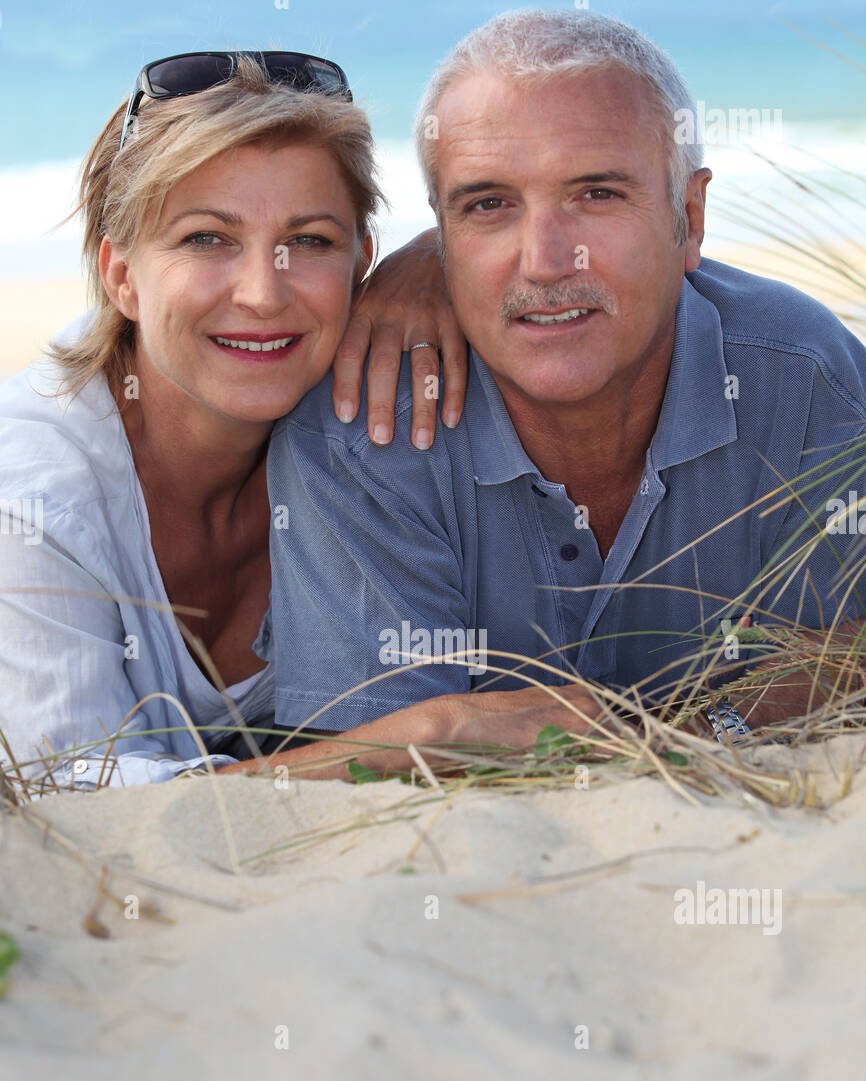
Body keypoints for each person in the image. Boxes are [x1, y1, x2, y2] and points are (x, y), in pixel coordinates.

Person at [256, 9, 866, 779]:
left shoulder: (803, 380)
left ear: (690, 218)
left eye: (597, 193)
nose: (545, 261)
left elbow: (850, 652)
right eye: (489, 205)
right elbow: (384, 779)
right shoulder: (358, 434)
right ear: (440, 238)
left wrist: (696, 727)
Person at [0, 51, 469, 792]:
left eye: (310, 240)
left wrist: (441, 255)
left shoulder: (365, 422)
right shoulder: (29, 498)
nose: (262, 293)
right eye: (205, 239)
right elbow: (71, 795)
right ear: (120, 274)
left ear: (361, 264)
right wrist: (426, 737)